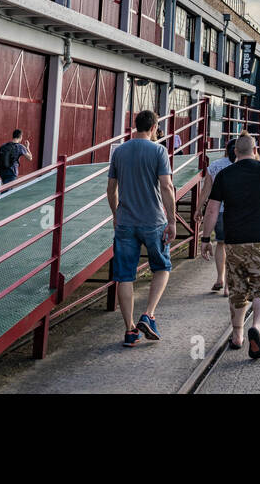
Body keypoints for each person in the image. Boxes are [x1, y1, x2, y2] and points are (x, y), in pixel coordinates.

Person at [201, 132, 260, 359]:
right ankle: (257, 327)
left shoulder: (225, 175)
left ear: (235, 152)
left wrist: (205, 239)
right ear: (256, 150)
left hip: (234, 243)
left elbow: (211, 210)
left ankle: (237, 336)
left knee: (238, 289)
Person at [106, 109, 176, 347]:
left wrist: (116, 215)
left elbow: (110, 190)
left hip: (125, 222)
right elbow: (166, 187)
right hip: (153, 221)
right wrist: (173, 221)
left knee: (124, 276)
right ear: (154, 127)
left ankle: (129, 331)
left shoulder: (119, 151)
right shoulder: (159, 151)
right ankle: (149, 314)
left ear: (135, 126)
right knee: (162, 266)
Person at [197, 138, 236, 294]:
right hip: (238, 213)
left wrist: (198, 209)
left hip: (218, 212)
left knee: (221, 244)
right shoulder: (243, 165)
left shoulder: (215, 166)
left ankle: (220, 278)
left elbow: (205, 190)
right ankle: (228, 285)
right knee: (233, 247)